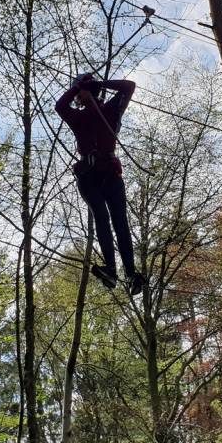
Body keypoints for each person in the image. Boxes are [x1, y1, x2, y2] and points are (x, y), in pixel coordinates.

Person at [56, 72, 146, 295]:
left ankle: (131, 273)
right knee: (102, 218)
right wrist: (79, 87)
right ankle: (111, 271)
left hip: (110, 174)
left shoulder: (111, 110)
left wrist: (96, 83)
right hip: (89, 176)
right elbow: (60, 106)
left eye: (83, 92)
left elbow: (128, 86)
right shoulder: (78, 117)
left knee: (120, 222)